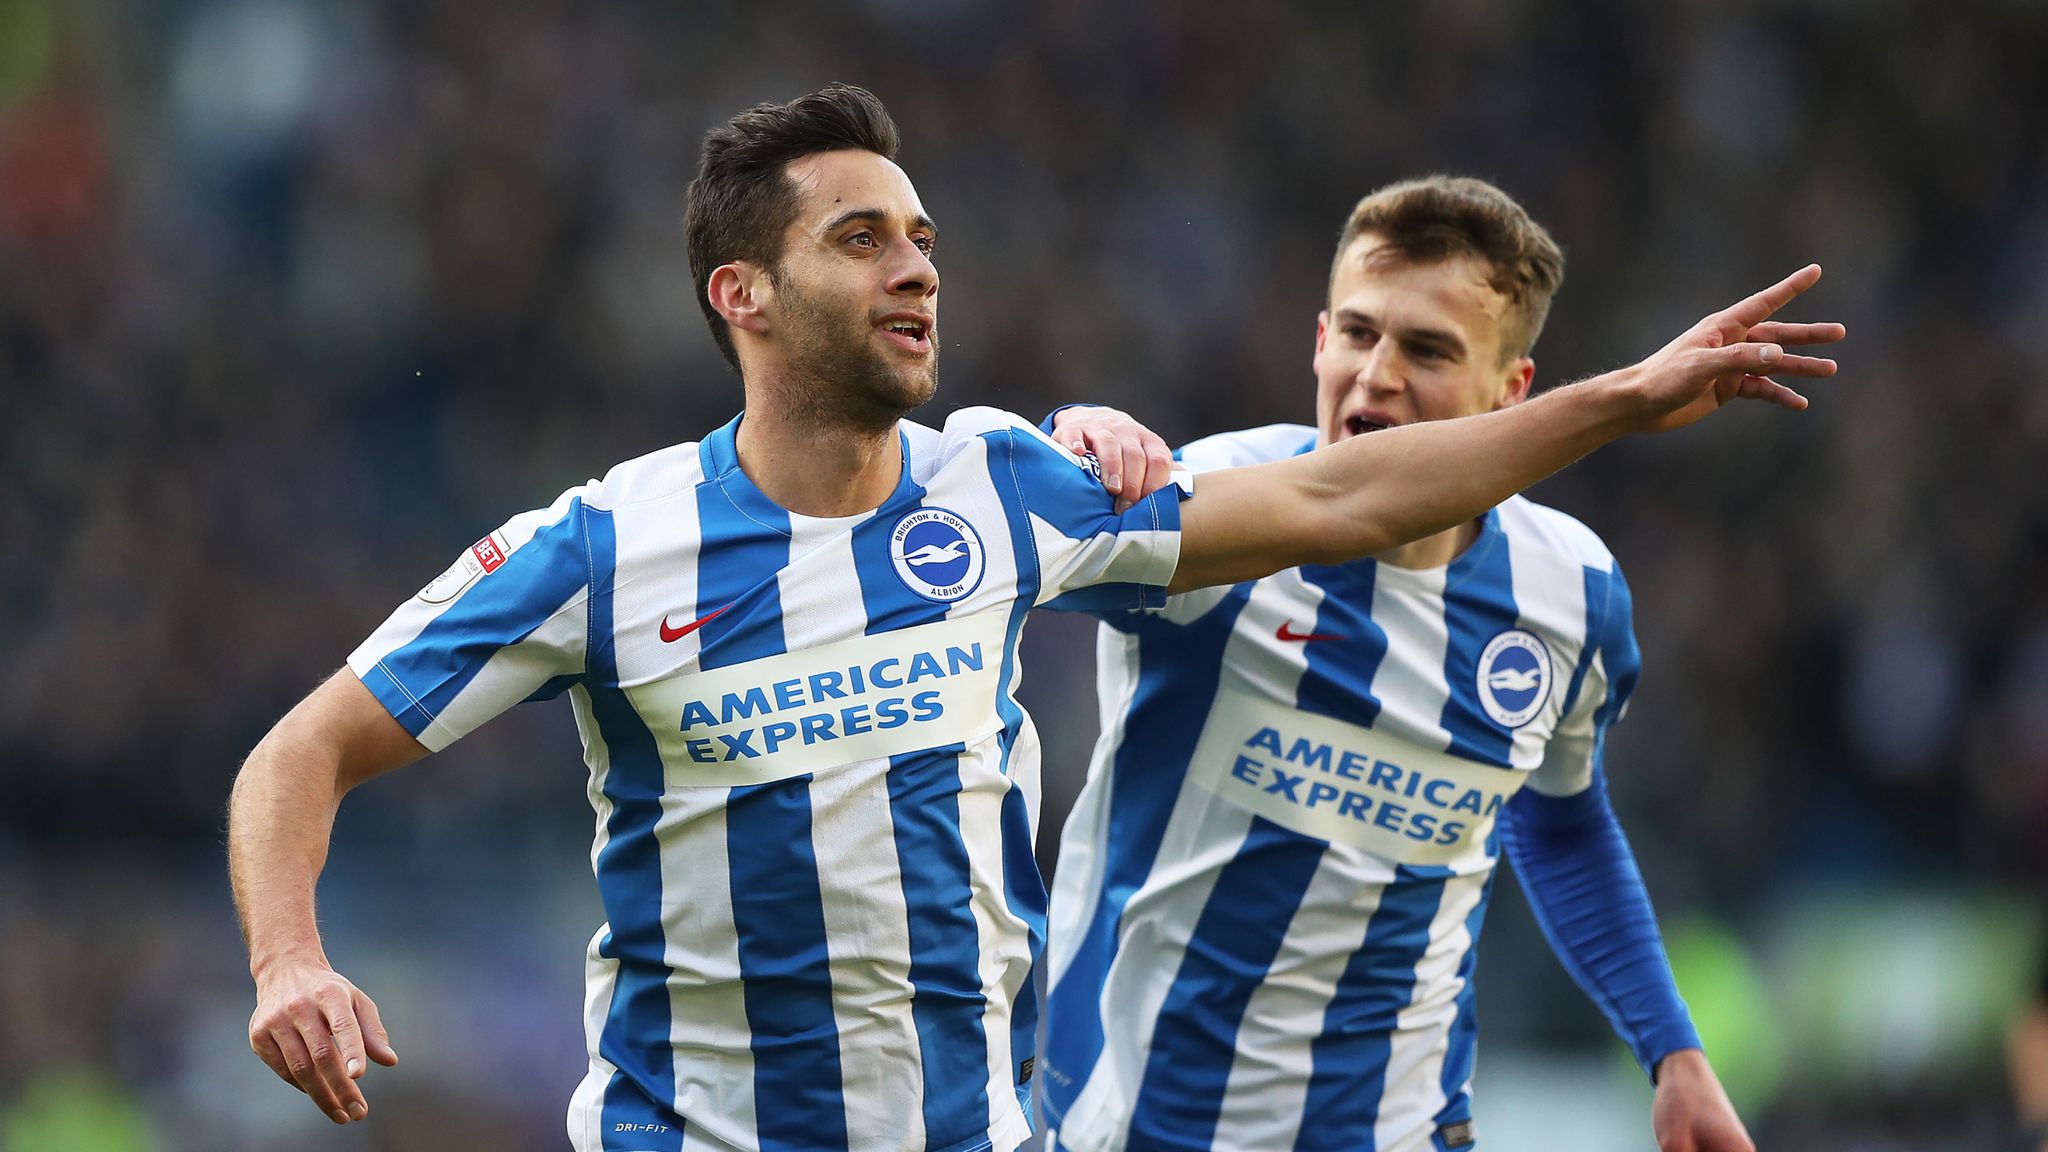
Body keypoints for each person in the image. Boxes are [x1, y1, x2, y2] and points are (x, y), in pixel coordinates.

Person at [226, 87, 1838, 1152]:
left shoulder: (1000, 493)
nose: (918, 268)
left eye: (926, 237)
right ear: (743, 293)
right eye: (863, 239)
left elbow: (1353, 508)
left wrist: (1630, 398)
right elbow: (303, 749)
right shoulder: (603, 543)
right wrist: (290, 957)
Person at [1040, 177, 1804, 1152]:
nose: (1376, 375)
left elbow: (1560, 825)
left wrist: (1671, 1052)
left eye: (1428, 349)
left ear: (1510, 391)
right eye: (1357, 334)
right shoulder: (1210, 507)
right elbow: (1018, 553)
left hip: (1406, 1130)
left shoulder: (1570, 595)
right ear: (1317, 341)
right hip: (1143, 1126)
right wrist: (1075, 430)